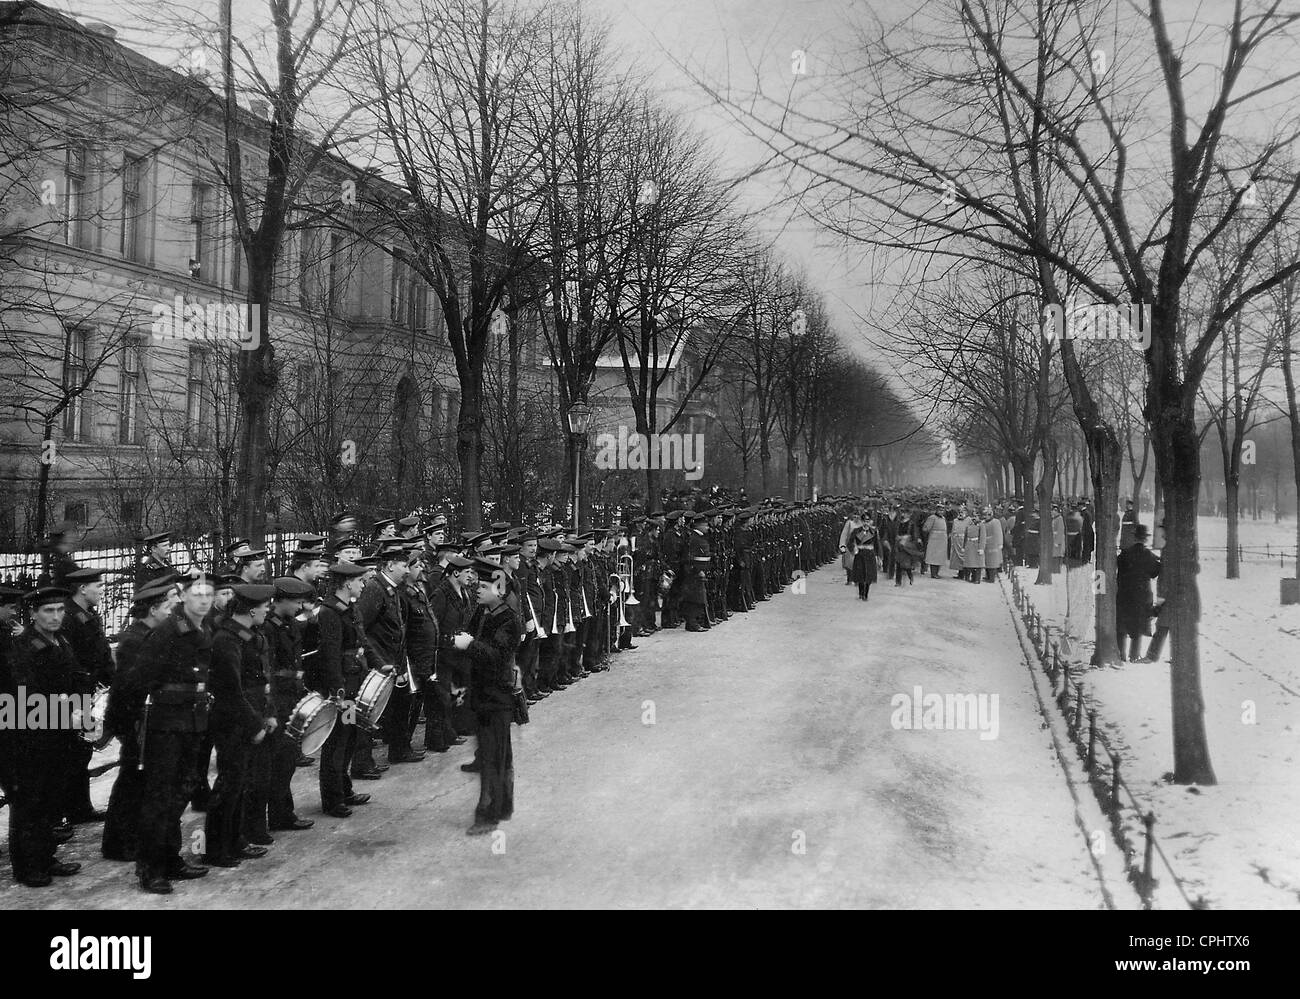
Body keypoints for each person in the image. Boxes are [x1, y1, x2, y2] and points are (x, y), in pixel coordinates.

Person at [132, 572, 217, 894]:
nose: (204, 601)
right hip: (166, 724)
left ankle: (171, 859)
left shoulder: (203, 629)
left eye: (209, 595)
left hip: (192, 720)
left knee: (181, 793)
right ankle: (150, 868)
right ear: (183, 597)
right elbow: (139, 679)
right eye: (197, 595)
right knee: (160, 797)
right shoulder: (168, 631)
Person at [7, 588, 83, 888]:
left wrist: (82, 711)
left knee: (51, 800)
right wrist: (67, 712)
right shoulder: (24, 648)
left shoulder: (61, 640)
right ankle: (27, 867)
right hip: (31, 738)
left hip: (58, 735)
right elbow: (27, 696)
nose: (55, 616)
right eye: (48, 611)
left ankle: (46, 857)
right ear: (34, 614)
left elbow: (75, 678)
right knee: (30, 804)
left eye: (59, 610)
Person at [102, 578, 177, 862]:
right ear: (154, 609)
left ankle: (125, 839)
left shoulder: (147, 634)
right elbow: (131, 686)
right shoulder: (136, 639)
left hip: (143, 718)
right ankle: (119, 844)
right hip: (135, 720)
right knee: (132, 781)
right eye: (167, 607)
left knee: (136, 779)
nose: (171, 613)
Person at [204, 583, 276, 867]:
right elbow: (231, 691)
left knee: (241, 782)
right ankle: (217, 849)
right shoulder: (226, 640)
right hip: (233, 722)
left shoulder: (247, 634)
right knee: (229, 783)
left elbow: (262, 680)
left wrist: (267, 714)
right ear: (250, 610)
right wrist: (255, 724)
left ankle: (236, 841)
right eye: (264, 606)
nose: (267, 610)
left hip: (249, 717)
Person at [459, 559, 522, 836]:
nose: (477, 589)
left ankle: (488, 815)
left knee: (492, 757)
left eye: (483, 586)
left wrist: (469, 644)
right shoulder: (485, 613)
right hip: (486, 695)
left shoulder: (509, 619)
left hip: (497, 697)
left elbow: (496, 657)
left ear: (499, 589)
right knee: (498, 753)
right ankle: (503, 806)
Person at [309, 561, 371, 818]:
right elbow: (330, 655)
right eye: (360, 581)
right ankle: (332, 800)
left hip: (354, 682)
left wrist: (379, 664)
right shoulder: (330, 612)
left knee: (349, 738)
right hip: (342, 687)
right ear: (347, 583)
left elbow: (362, 641)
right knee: (337, 742)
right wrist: (338, 692)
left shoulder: (350, 608)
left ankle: (344, 790)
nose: (363, 584)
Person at [259, 576, 316, 835]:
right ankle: (271, 817)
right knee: (276, 759)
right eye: (295, 601)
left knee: (287, 758)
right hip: (278, 699)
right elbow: (267, 670)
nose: (300, 605)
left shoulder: (290, 623)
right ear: (279, 601)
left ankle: (283, 813)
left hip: (291, 696)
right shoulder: (268, 629)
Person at [58, 567, 115, 825]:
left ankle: (79, 808)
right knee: (72, 752)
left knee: (81, 751)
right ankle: (65, 812)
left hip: (87, 691)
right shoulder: (69, 617)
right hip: (74, 694)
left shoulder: (84, 614)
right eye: (98, 586)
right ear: (83, 588)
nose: (102, 591)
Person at [1116, 525, 1162, 662]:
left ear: (1134, 537)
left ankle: (1120, 654)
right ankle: (1134, 655)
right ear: (1145, 539)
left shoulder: (1125, 554)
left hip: (1125, 594)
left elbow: (1119, 569)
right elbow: (1155, 573)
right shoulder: (1148, 556)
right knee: (1137, 627)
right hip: (1141, 595)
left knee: (1122, 627)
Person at [849, 520, 880, 601]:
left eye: (868, 521)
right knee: (860, 575)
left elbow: (877, 544)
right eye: (864, 521)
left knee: (869, 575)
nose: (866, 523)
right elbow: (850, 542)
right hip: (860, 554)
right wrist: (854, 549)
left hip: (870, 554)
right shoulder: (856, 531)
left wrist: (878, 556)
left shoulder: (874, 531)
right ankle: (861, 593)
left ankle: (866, 594)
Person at [923, 504, 947, 579]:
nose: (941, 511)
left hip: (942, 540)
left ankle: (937, 573)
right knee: (933, 557)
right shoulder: (932, 518)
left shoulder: (943, 518)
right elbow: (926, 529)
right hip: (934, 540)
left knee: (940, 557)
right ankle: (933, 573)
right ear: (936, 510)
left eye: (942, 510)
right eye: (940, 510)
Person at [980, 506, 1004, 582]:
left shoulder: (995, 522)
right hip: (986, 544)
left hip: (994, 544)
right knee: (987, 561)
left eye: (986, 515)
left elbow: (999, 533)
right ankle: (987, 576)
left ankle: (991, 578)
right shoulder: (983, 523)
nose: (984, 517)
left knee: (992, 562)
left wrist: (1000, 543)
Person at [949, 504, 970, 580]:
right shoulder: (955, 520)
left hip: (964, 541)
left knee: (964, 557)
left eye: (963, 511)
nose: (961, 513)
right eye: (960, 511)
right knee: (957, 558)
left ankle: (965, 573)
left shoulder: (969, 520)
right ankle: (960, 573)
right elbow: (953, 531)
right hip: (956, 541)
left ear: (966, 512)